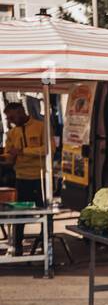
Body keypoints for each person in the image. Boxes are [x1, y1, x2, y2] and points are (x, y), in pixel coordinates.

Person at [1, 100, 48, 256]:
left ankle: (46, 243)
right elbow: (9, 156)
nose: (9, 121)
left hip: (40, 178)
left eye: (11, 117)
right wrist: (6, 158)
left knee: (44, 213)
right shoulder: (11, 133)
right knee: (19, 213)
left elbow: (48, 149)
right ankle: (17, 245)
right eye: (8, 118)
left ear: (21, 112)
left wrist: (23, 151)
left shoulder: (41, 127)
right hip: (21, 178)